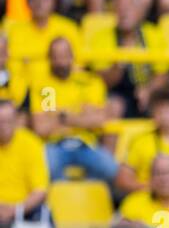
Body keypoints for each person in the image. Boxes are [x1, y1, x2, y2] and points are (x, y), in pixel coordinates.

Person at [29, 37, 118, 184]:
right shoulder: (45, 87)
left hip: (85, 144)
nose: (61, 62)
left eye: (65, 56)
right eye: (56, 57)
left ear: (72, 56)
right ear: (49, 59)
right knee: (46, 169)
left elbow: (98, 120)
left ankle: (90, 198)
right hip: (55, 145)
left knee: (111, 168)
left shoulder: (89, 82)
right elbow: (42, 128)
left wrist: (62, 117)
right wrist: (80, 117)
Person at [0, 99, 49, 228]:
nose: (3, 126)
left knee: (43, 215)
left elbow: (40, 190)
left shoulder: (31, 143)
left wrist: (16, 210)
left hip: (25, 209)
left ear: (16, 120)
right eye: (0, 122)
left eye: (8, 121)